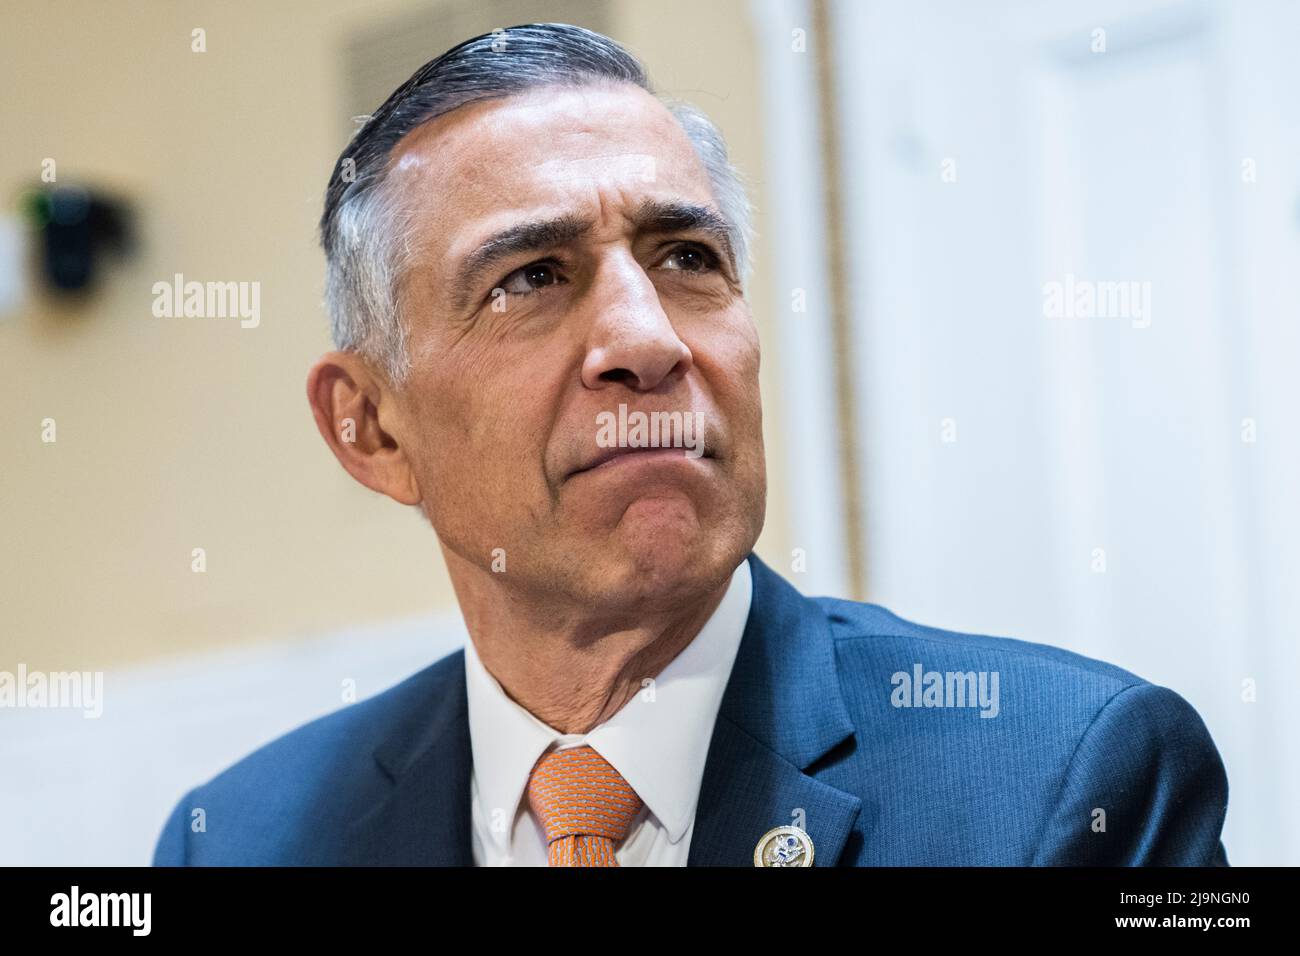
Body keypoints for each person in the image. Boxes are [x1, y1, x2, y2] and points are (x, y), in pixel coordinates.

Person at [152, 22, 1229, 867]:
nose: (647, 339)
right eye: (530, 277)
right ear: (371, 427)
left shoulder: (1067, 779)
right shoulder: (239, 838)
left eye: (685, 257)